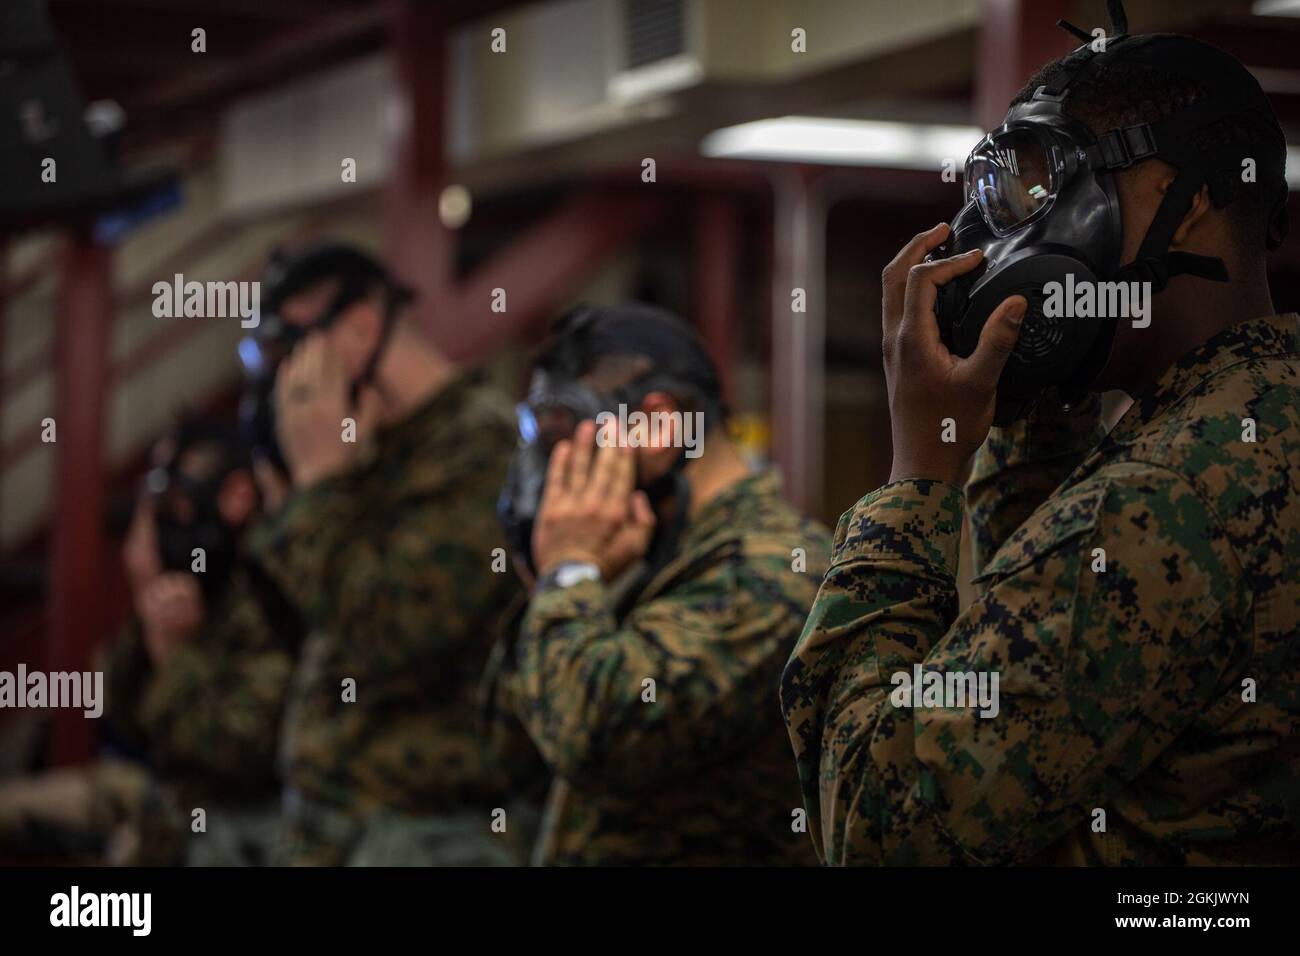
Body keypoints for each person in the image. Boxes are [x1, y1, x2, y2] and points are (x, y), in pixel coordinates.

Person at [781, 12, 1299, 865]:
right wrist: (1034, 392)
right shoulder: (1241, 424)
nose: (1011, 235)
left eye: (1047, 190)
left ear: (1193, 195)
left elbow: (873, 819)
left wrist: (920, 471)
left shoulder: (1155, 501)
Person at [484, 303, 829, 865]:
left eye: (560, 432)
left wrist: (568, 574)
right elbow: (517, 761)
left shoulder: (770, 568)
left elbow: (595, 739)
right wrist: (556, 583)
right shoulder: (647, 554)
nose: (545, 464)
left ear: (659, 426)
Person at [241, 242, 524, 865]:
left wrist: (318, 486)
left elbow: (394, 630)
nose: (285, 377)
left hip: (432, 830)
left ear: (362, 328)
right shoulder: (367, 450)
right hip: (334, 822)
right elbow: (303, 632)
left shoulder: (481, 448)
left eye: (293, 347)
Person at [1, 418, 298, 866]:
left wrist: (174, 656)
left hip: (241, 826)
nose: (167, 525)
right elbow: (126, 721)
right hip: (163, 800)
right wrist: (145, 612)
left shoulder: (272, 594)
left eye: (175, 507)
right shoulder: (201, 583)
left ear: (234, 497)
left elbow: (232, 757)